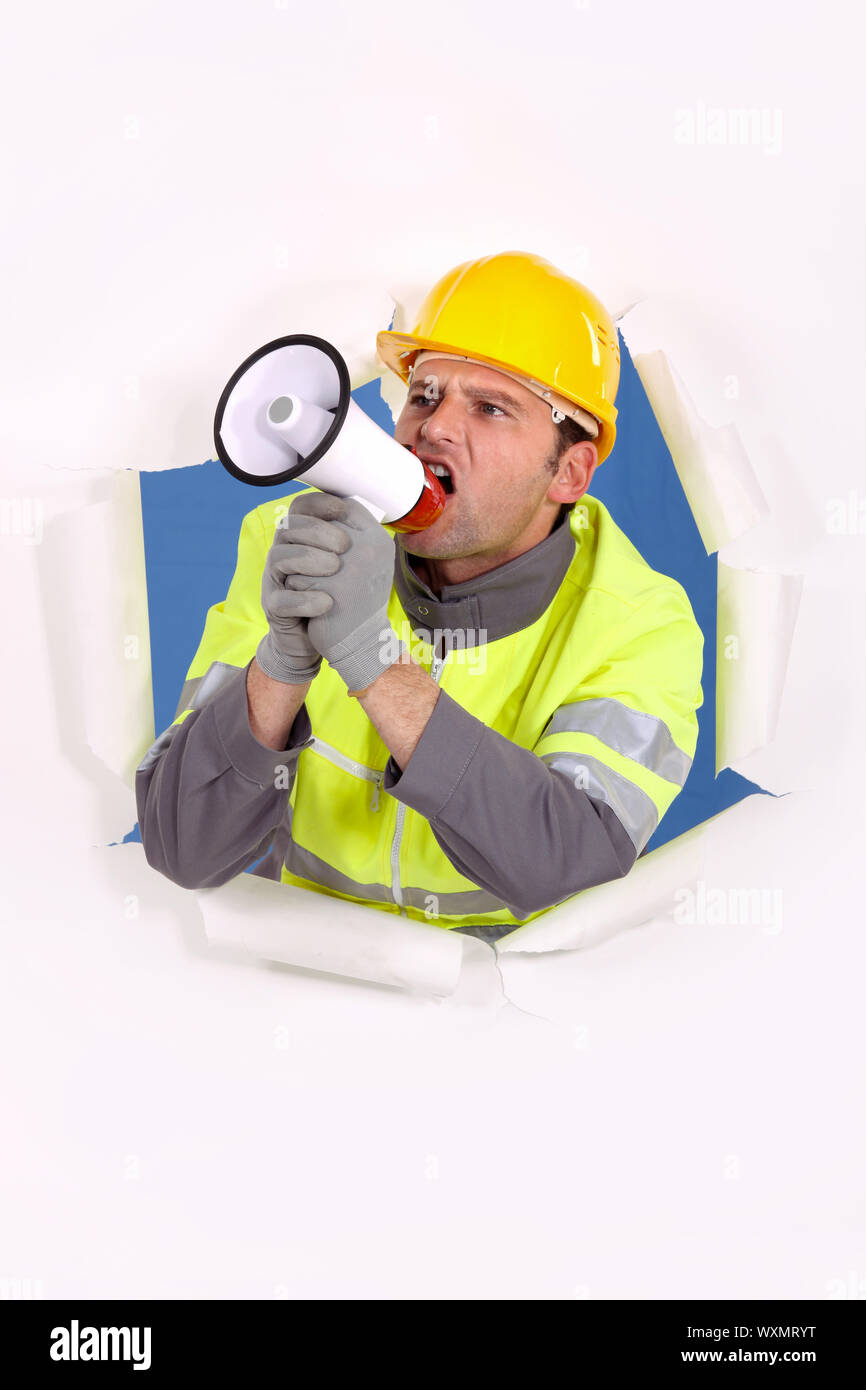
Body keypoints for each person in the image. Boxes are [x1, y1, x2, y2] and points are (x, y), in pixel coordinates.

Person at [136, 251, 704, 944]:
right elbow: (182, 847)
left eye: (492, 407)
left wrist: (370, 659)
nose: (434, 427)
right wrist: (282, 662)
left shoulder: (640, 622)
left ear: (570, 471)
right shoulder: (291, 545)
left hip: (507, 1009)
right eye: (425, 394)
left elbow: (568, 858)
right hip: (307, 982)